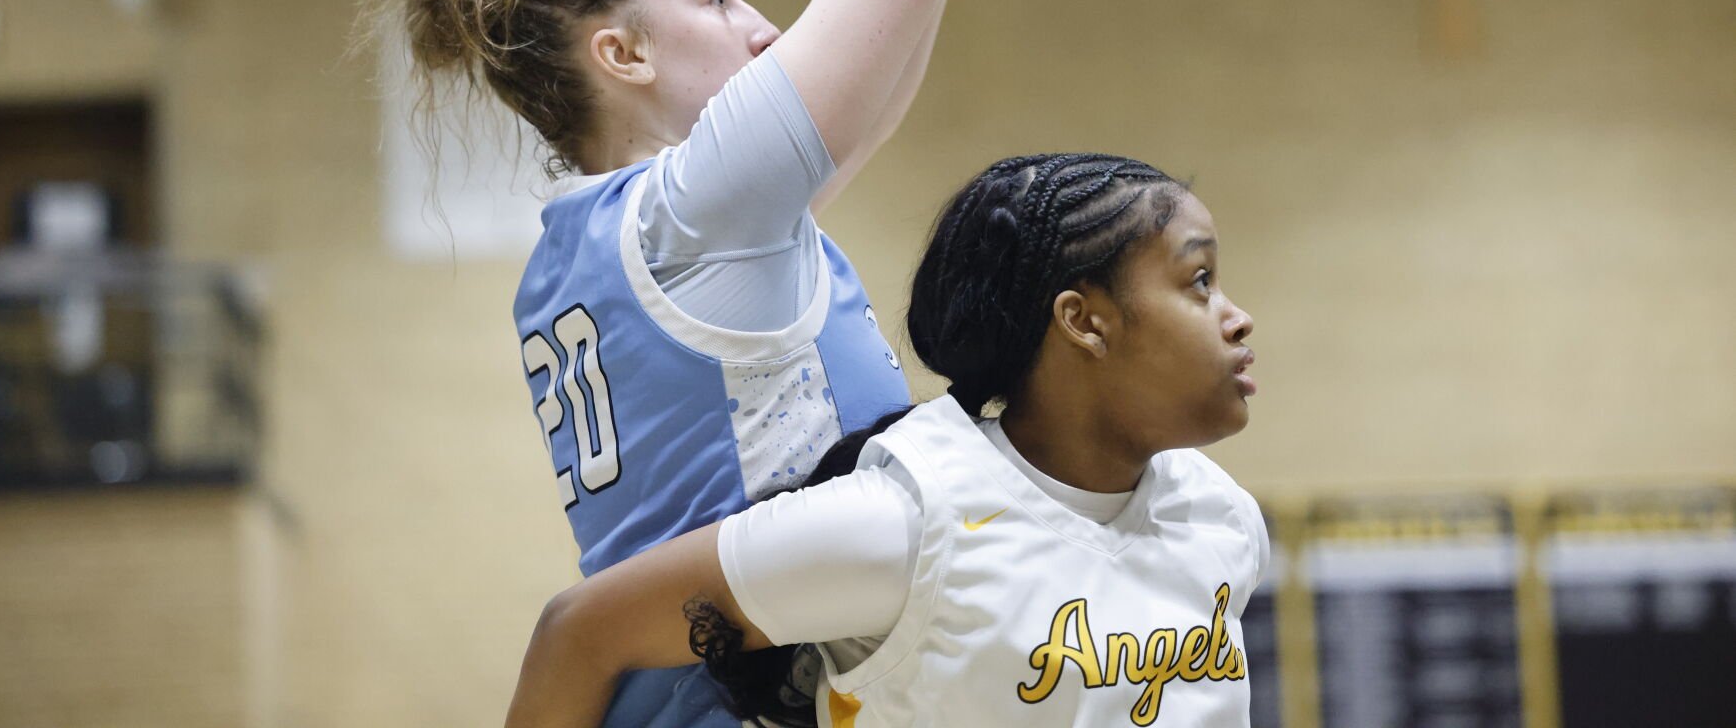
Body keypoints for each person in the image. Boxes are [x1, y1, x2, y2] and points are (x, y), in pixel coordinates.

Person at [371, 0, 1158, 727]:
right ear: (623, 53)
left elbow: (884, 63)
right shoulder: (699, 208)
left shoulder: (602, 246)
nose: (764, 28)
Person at [506, 152, 1266, 728]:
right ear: (1084, 321)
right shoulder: (907, 520)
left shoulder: (1219, 515)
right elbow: (578, 633)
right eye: (1200, 281)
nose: (1237, 319)